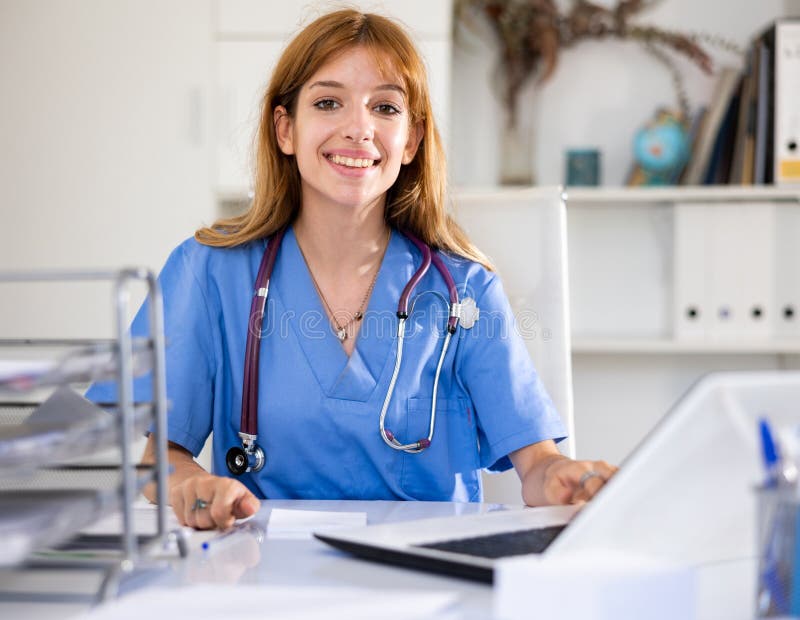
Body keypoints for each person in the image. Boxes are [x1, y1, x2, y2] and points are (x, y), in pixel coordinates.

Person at [89, 9, 616, 530]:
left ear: (410, 141)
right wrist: (190, 487)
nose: (359, 128)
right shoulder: (207, 272)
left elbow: (537, 466)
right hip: (260, 575)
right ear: (285, 128)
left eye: (385, 107)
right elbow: (159, 459)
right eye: (328, 102)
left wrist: (563, 475)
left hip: (422, 580)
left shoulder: (465, 290)